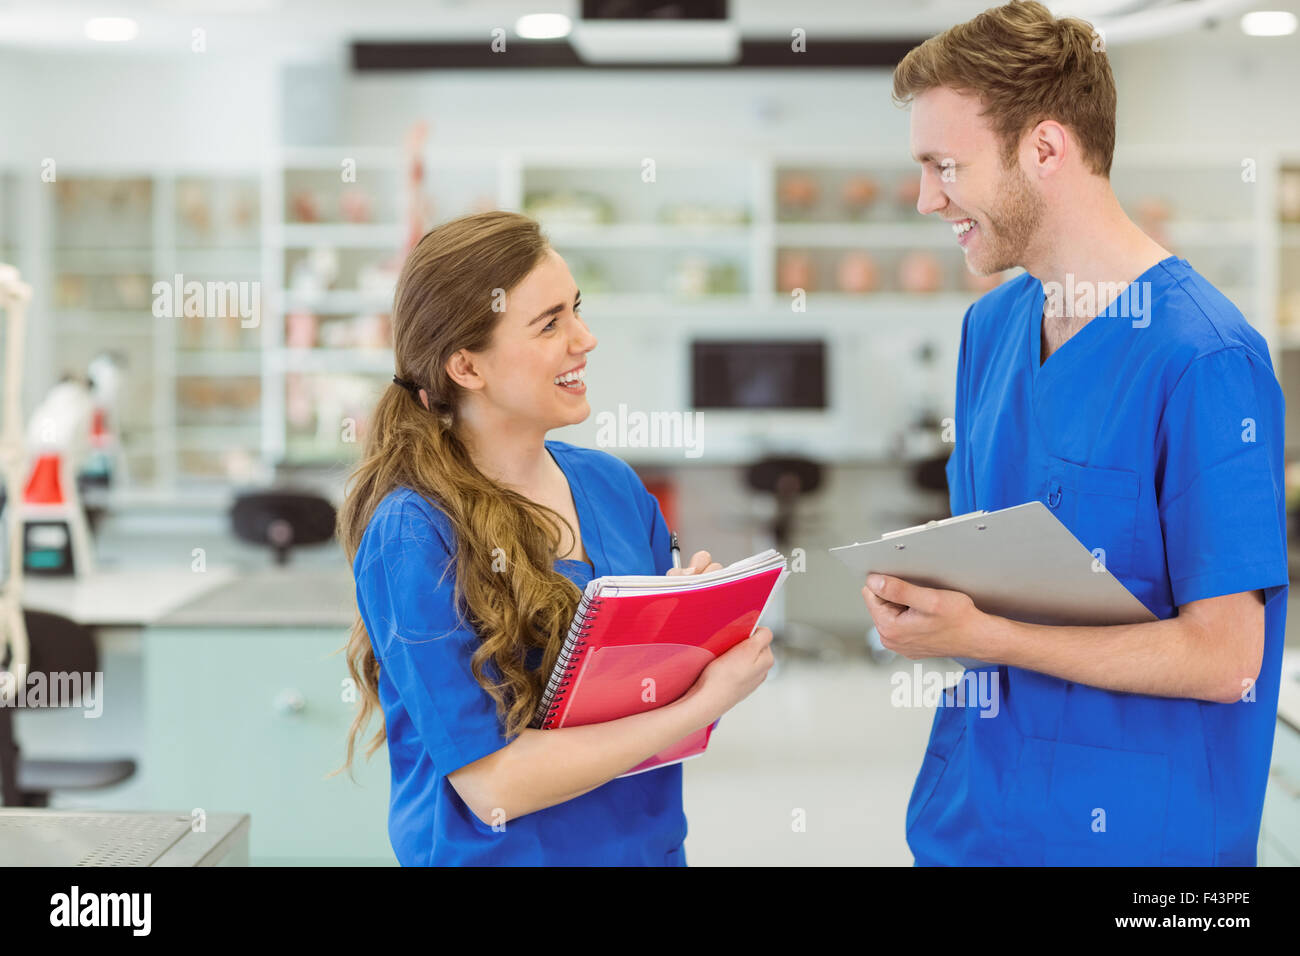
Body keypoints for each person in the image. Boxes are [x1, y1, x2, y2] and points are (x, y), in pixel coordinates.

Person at [872, 0, 1288, 865]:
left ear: (1046, 149)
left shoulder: (1204, 358)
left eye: (945, 165)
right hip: (977, 820)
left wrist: (985, 636)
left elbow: (1226, 659)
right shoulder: (991, 332)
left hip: (1143, 845)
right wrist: (930, 602)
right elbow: (988, 564)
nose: (925, 198)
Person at [335, 210, 774, 866]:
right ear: (467, 365)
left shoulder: (614, 488)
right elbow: (493, 787)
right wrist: (703, 699)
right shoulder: (413, 533)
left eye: (577, 310)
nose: (585, 339)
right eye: (550, 324)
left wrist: (692, 644)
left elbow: (659, 726)